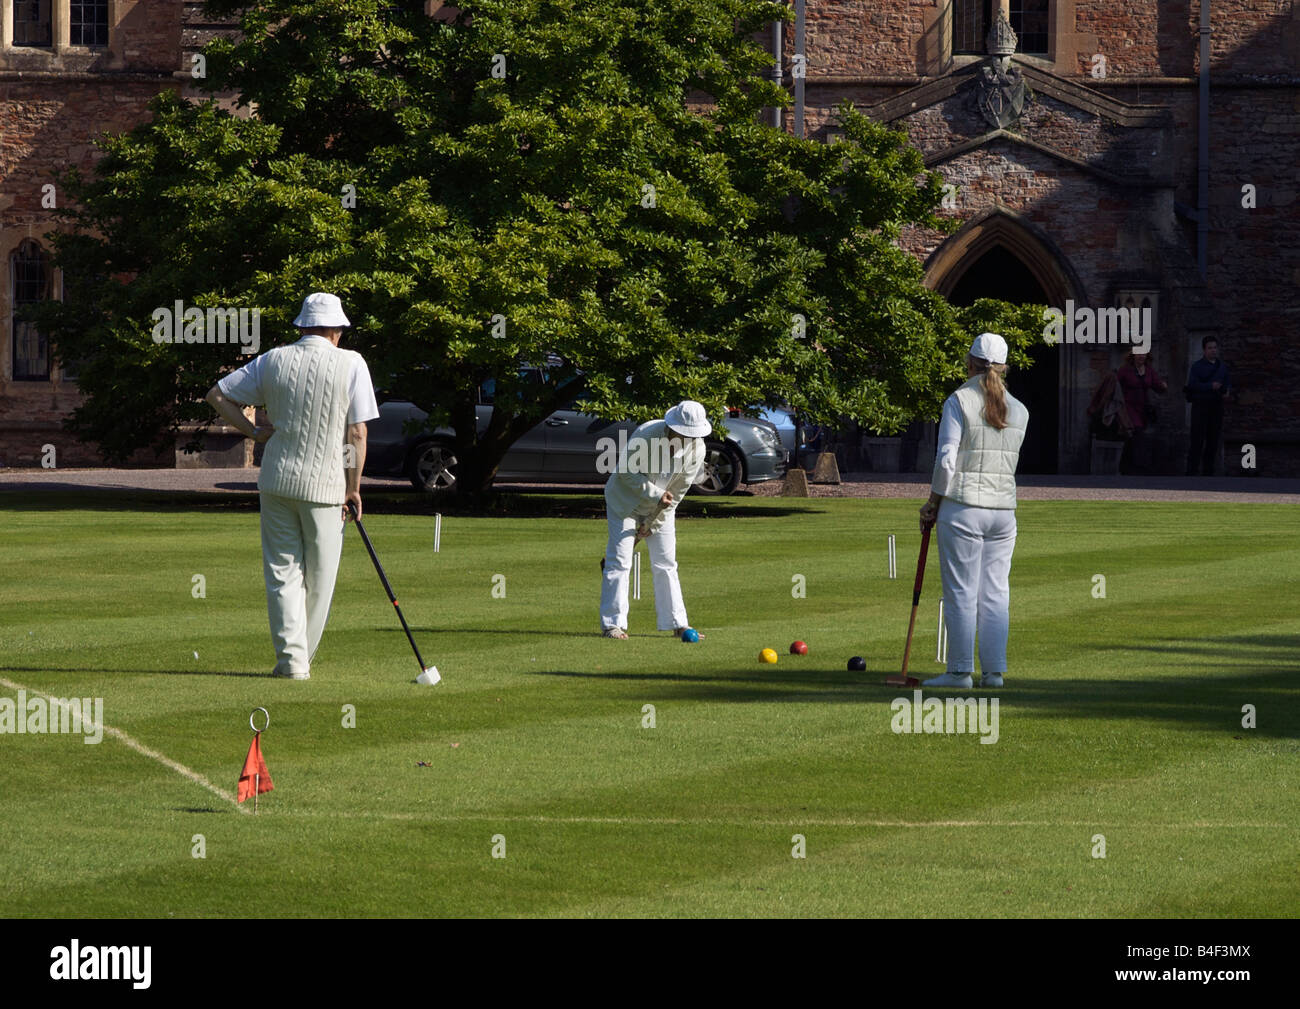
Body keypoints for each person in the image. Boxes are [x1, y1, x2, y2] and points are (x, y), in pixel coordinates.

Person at [205, 292, 380, 679]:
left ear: (302, 326)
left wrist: (253, 432)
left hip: (277, 479)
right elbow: (357, 432)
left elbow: (217, 395)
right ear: (336, 330)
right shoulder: (351, 363)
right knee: (320, 578)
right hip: (327, 487)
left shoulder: (274, 360)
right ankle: (298, 662)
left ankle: (291, 662)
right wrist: (354, 488)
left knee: (282, 572)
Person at [918, 333, 1030, 689]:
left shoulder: (958, 400)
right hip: (1003, 511)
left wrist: (933, 502)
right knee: (996, 591)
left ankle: (959, 672)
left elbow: (947, 460)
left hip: (964, 507)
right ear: (1004, 366)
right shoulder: (1021, 410)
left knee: (962, 591)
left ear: (970, 362)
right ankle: (994, 673)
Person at [601, 401, 711, 639]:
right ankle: (613, 625)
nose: (686, 438)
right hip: (624, 502)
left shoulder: (698, 449)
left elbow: (678, 493)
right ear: (672, 427)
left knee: (666, 562)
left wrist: (652, 523)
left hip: (662, 507)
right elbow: (625, 472)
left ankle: (678, 623)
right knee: (619, 561)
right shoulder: (647, 434)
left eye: (691, 435)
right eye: (682, 433)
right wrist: (656, 495)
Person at [1115, 350, 1167, 474]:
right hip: (1128, 407)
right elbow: (1115, 386)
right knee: (1137, 433)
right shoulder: (1124, 370)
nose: (1141, 356)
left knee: (1132, 438)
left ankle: (1124, 467)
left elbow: (1157, 386)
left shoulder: (1149, 371)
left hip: (1143, 409)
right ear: (1133, 355)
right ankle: (1141, 468)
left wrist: (1163, 386)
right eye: (1138, 353)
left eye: (1143, 354)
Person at [1185, 336, 1230, 476]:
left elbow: (1227, 382)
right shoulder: (1197, 366)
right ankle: (1192, 470)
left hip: (1216, 405)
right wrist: (1210, 386)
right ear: (1204, 350)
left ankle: (1208, 470)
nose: (1213, 350)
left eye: (1215, 347)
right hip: (1200, 404)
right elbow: (1192, 385)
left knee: (1213, 438)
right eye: (1210, 348)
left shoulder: (1222, 366)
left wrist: (1226, 391)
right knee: (1197, 438)